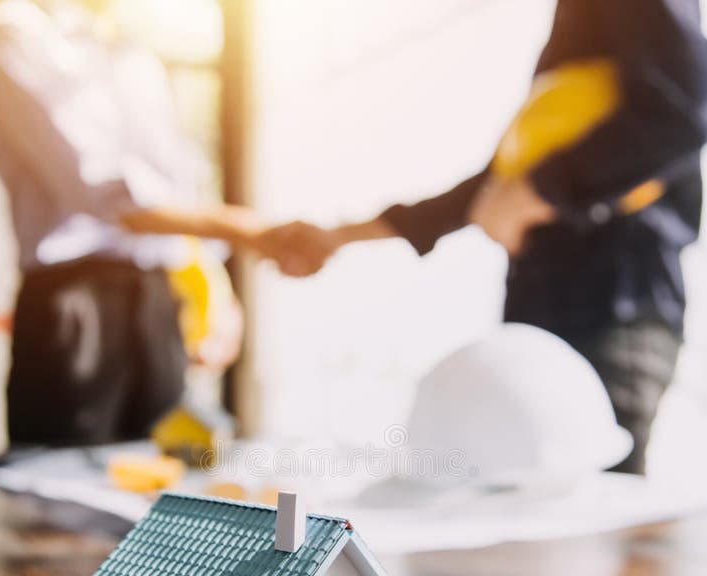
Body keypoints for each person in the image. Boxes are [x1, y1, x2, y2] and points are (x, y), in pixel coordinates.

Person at [263, 0, 707, 474]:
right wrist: (341, 236)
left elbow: (683, 110)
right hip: (543, 313)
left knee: (581, 527)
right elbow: (502, 182)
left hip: (613, 309)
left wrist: (539, 190)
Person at [0, 0, 276, 445]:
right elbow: (97, 186)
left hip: (158, 298)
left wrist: (215, 286)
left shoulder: (131, 49)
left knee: (161, 479)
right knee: (64, 494)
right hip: (78, 305)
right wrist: (242, 229)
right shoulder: (18, 31)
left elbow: (177, 184)